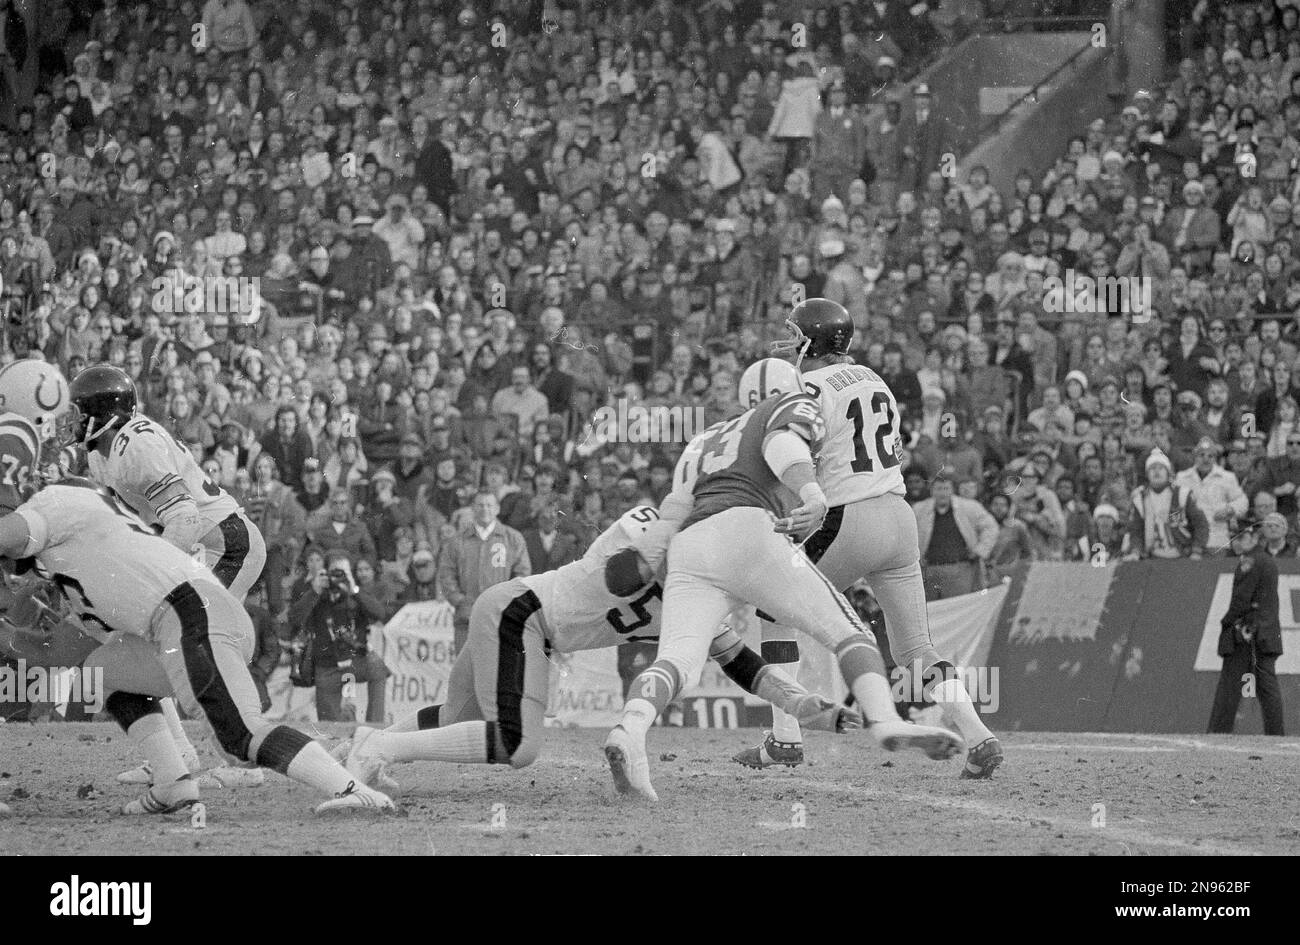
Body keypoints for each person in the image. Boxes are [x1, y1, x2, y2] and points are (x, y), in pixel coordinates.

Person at [604, 361, 960, 801]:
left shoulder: (703, 440)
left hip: (691, 548)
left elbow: (670, 518)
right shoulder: (786, 408)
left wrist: (641, 562)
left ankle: (629, 730)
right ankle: (885, 720)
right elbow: (781, 444)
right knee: (846, 629)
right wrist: (812, 493)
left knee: (676, 662)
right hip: (749, 529)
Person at [0, 419, 392, 815]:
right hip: (185, 613)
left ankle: (351, 788)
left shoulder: (59, 503)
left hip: (191, 614)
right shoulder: (94, 546)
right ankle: (173, 781)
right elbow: (52, 652)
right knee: (107, 669)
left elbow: (11, 536)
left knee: (240, 736)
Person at [339, 506, 858, 786]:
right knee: (517, 745)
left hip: (514, 615)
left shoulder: (699, 594)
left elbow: (743, 664)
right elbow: (616, 575)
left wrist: (803, 706)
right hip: (521, 614)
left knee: (459, 720)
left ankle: (366, 741)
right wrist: (665, 554)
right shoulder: (650, 527)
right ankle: (380, 751)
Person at [734, 299, 1001, 779]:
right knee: (917, 649)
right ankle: (978, 736)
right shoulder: (873, 378)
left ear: (813, 339)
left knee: (772, 610)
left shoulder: (808, 387)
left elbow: (798, 457)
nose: (790, 343)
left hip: (848, 518)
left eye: (797, 335)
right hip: (898, 519)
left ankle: (785, 740)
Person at [49, 364, 271, 787]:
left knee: (193, 647)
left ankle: (241, 758)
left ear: (103, 412)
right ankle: (178, 755)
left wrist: (147, 581)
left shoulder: (138, 446)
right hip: (195, 544)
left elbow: (184, 517)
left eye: (79, 411)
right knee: (147, 644)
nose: (73, 421)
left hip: (223, 542)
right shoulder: (101, 452)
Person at [288, 552, 388, 723]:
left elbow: (379, 613)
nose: (337, 578)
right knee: (330, 728)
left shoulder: (356, 594)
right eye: (334, 572)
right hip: (327, 666)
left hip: (356, 661)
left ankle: (374, 725)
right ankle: (344, 721)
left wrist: (354, 589)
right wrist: (315, 591)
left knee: (378, 668)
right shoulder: (317, 595)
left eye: (343, 572)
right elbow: (294, 619)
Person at [1208, 521, 1285, 736]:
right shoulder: (1267, 560)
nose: (1236, 542)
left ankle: (1218, 731)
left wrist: (1226, 622)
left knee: (1230, 685)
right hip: (1266, 633)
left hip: (1247, 633)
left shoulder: (1250, 561)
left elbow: (1241, 600)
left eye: (1240, 537)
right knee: (1266, 686)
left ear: (1251, 538)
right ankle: (1275, 734)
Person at [436, 490, 531, 653]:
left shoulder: (513, 538)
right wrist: (461, 601)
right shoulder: (457, 541)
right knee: (467, 670)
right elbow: (446, 574)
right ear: (472, 508)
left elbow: (522, 574)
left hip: (502, 618)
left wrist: (506, 603)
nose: (485, 509)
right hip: (466, 618)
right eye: (480, 505)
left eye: (489, 505)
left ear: (497, 509)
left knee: (498, 671)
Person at [913, 475, 998, 598]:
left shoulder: (970, 507)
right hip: (929, 571)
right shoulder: (919, 509)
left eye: (946, 488)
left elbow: (991, 527)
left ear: (952, 490)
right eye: (939, 489)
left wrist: (980, 550)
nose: (942, 493)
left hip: (960, 571)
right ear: (932, 491)